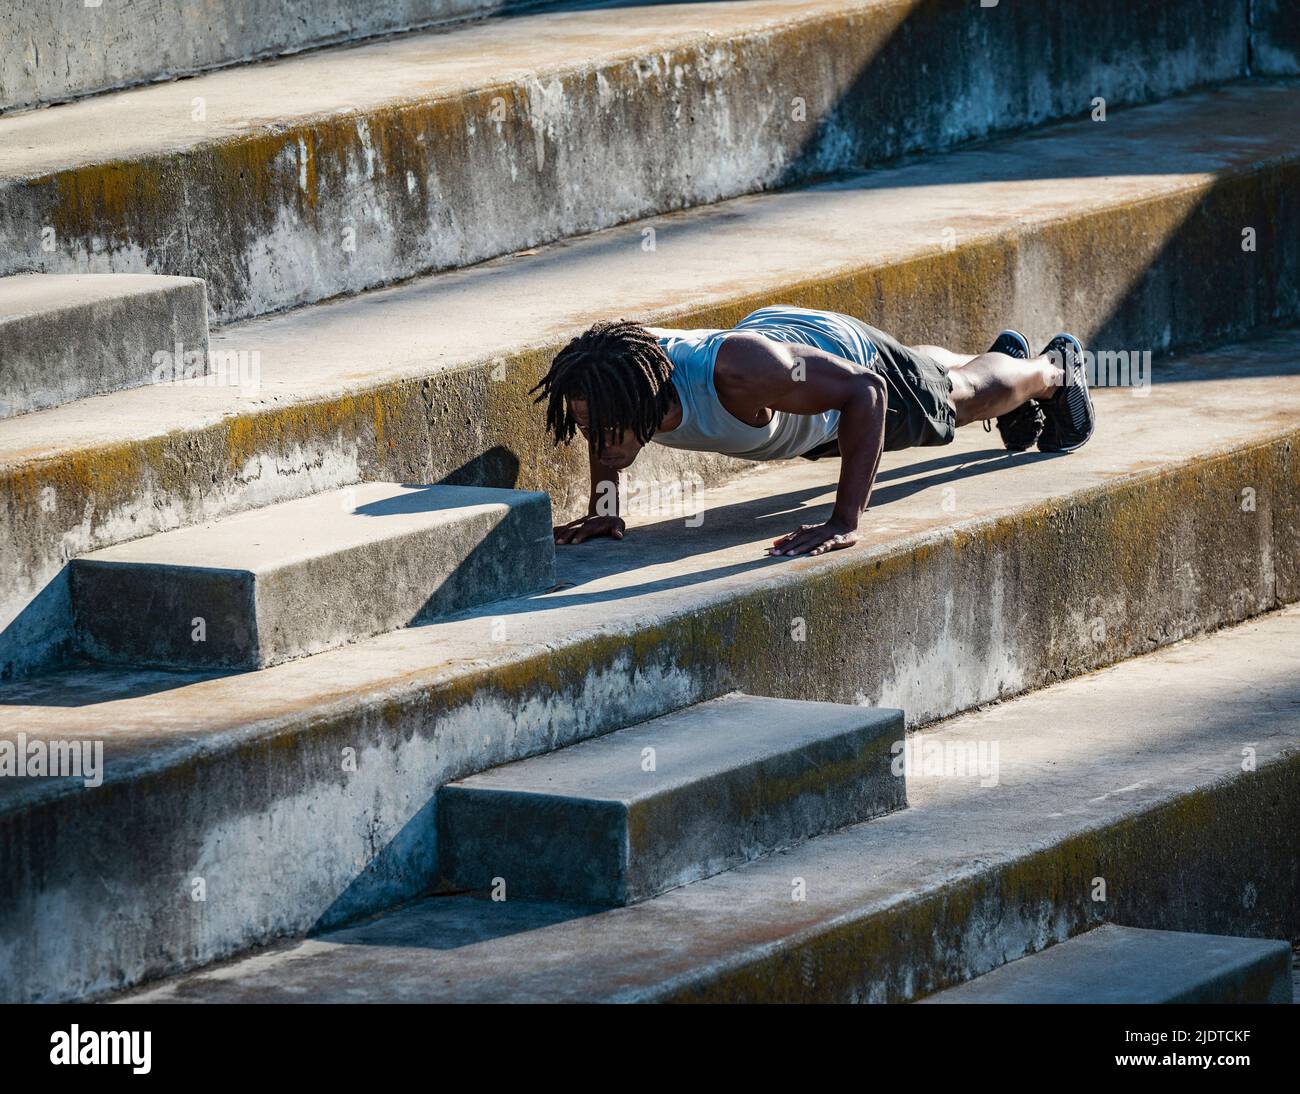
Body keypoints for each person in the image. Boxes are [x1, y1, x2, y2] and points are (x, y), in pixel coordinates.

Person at [531, 304, 1094, 556]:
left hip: (844, 365)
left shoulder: (737, 373)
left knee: (953, 400)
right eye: (584, 426)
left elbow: (867, 391)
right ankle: (1004, 363)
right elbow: (602, 421)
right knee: (933, 376)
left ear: (642, 400)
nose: (596, 443)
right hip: (803, 389)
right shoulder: (616, 379)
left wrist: (843, 520)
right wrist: (605, 507)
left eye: (602, 428)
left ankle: (1051, 371)